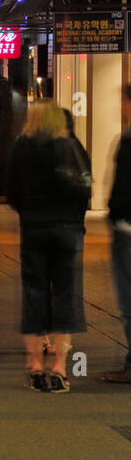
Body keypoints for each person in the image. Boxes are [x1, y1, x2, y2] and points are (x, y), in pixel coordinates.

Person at [5, 101, 91, 392]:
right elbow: (85, 189)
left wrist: (29, 214)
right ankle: (60, 367)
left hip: (34, 230)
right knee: (65, 294)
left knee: (34, 292)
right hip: (67, 230)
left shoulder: (22, 148)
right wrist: (75, 221)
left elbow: (11, 191)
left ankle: (35, 364)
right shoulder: (69, 146)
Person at [102, 85, 131, 385]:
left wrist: (114, 214)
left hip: (127, 229)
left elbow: (123, 187)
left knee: (128, 299)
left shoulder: (128, 139)